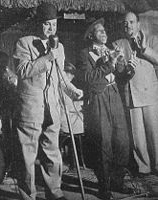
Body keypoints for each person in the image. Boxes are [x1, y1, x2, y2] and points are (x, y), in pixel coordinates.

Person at [13, 3, 83, 200]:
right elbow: (23, 71)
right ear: (38, 24)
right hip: (31, 107)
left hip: (52, 107)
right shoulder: (24, 42)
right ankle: (28, 195)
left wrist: (73, 91)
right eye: (46, 24)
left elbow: (61, 77)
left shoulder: (59, 46)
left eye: (53, 24)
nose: (51, 29)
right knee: (27, 155)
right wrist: (47, 57)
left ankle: (55, 192)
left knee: (52, 152)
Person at [76, 18, 132, 200]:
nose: (104, 33)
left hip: (114, 95)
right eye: (99, 31)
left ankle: (117, 181)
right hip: (98, 97)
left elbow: (121, 75)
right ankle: (104, 186)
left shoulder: (111, 50)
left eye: (104, 30)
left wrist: (128, 68)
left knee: (122, 141)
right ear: (91, 35)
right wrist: (109, 63)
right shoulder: (84, 54)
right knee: (103, 142)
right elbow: (87, 78)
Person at [113, 11, 158, 176]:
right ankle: (144, 167)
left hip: (151, 93)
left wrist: (144, 49)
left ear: (138, 24)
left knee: (155, 133)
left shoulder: (152, 39)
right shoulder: (118, 44)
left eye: (131, 22)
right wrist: (126, 70)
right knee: (137, 135)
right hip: (132, 93)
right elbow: (118, 71)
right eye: (125, 23)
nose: (128, 26)